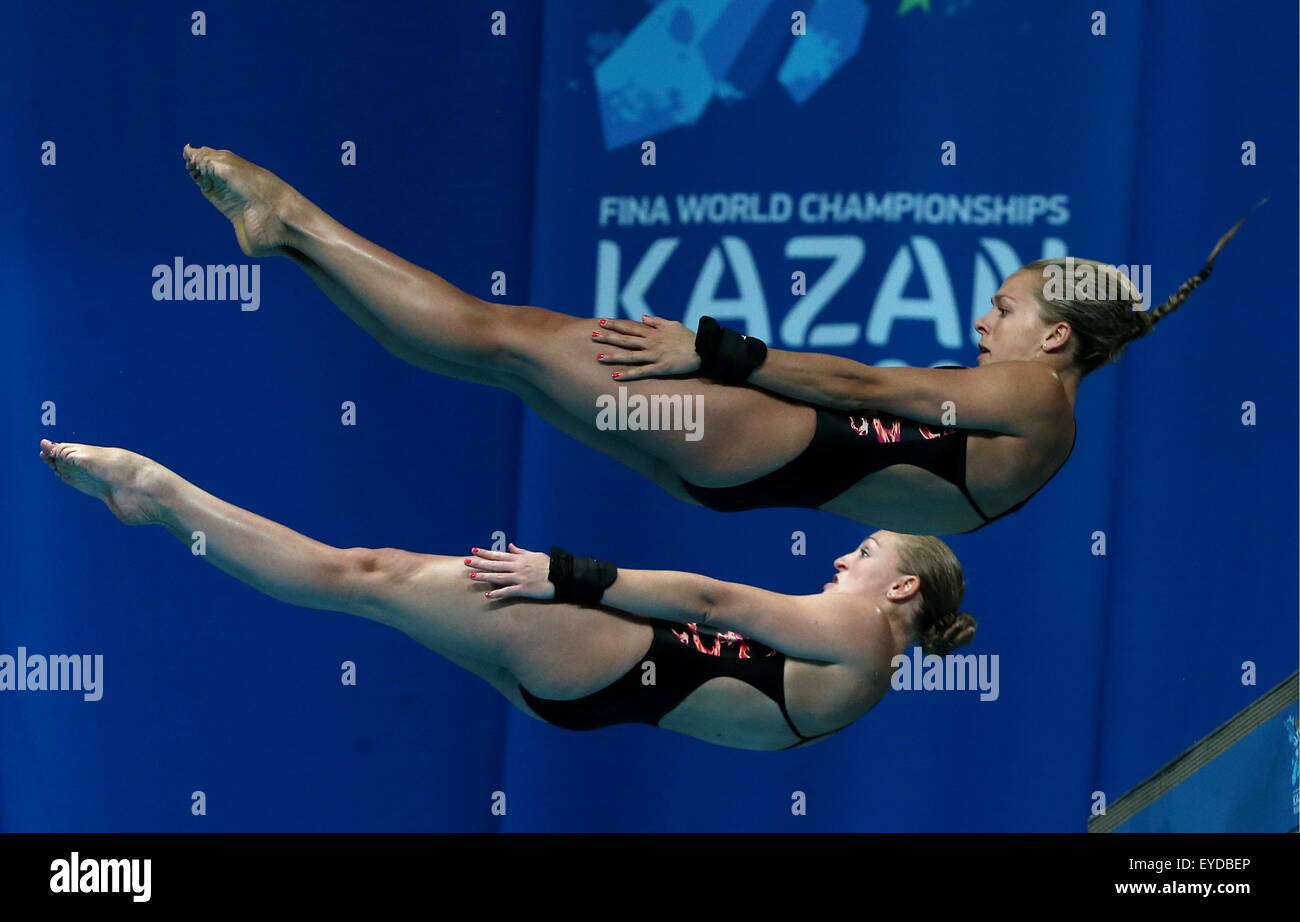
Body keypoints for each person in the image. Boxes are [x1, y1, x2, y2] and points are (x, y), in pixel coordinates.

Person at [180, 144, 1261, 534]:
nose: (985, 322)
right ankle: (294, 242)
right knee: (497, 360)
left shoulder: (1035, 401)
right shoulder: (1042, 436)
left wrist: (718, 351)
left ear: (1057, 334)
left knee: (503, 331)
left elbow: (857, 380)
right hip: (735, 474)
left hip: (761, 431)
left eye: (1007, 310)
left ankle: (297, 218)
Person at [38, 438, 975, 751]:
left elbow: (713, 601)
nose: (842, 563)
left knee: (361, 574)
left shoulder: (860, 632)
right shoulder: (866, 678)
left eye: (863, 551)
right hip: (586, 691)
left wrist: (564, 576)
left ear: (902, 585)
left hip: (615, 655)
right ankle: (158, 503)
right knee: (364, 590)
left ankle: (154, 489)